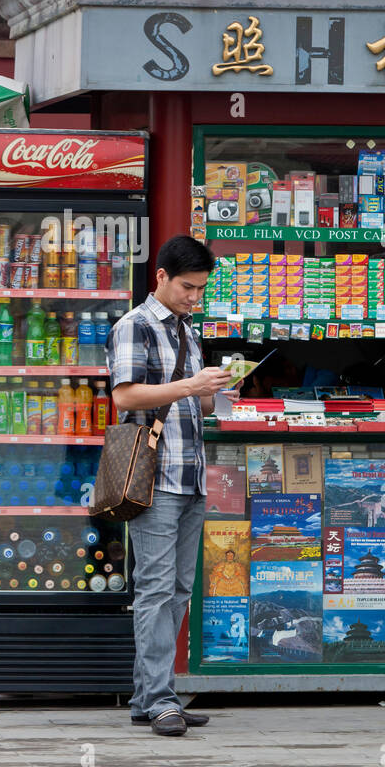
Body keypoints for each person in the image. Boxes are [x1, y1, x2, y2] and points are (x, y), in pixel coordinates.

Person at [108, 236, 235, 736]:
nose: (194, 298)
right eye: (188, 287)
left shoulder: (186, 329)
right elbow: (126, 397)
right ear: (160, 276)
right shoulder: (133, 326)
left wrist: (218, 392)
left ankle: (149, 697)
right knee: (157, 591)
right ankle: (161, 699)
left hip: (191, 474)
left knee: (179, 589)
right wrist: (190, 385)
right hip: (154, 479)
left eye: (201, 290)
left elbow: (189, 405)